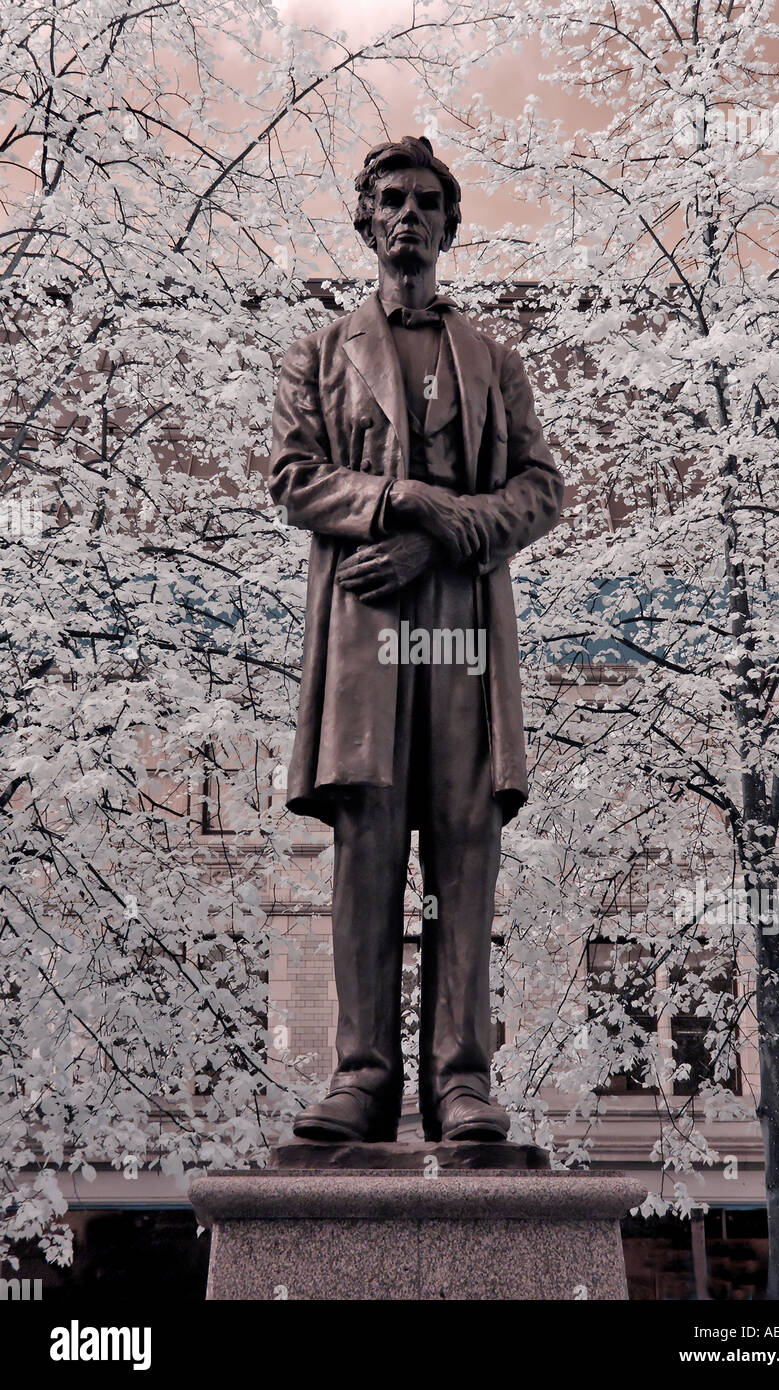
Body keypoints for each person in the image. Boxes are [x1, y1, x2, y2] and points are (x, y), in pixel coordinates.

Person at [268, 135, 563, 1142]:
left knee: (464, 844)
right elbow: (295, 477)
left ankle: (461, 1077)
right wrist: (400, 498)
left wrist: (436, 535)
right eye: (389, 199)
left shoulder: (492, 361)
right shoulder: (320, 353)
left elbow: (538, 490)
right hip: (365, 632)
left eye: (426, 202)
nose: (407, 215)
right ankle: (362, 1075)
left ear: (448, 224)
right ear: (365, 219)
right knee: (368, 845)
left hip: (462, 630)